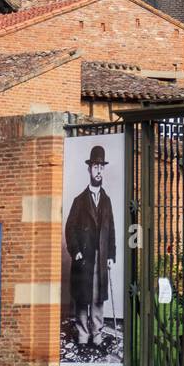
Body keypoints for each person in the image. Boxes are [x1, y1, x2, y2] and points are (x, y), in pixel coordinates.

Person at [64, 144, 116, 348]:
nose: (99, 170)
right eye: (95, 166)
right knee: (82, 297)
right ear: (89, 169)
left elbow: (111, 230)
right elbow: (70, 228)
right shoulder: (79, 201)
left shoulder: (107, 200)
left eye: (101, 166)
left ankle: (97, 334)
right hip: (83, 258)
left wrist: (111, 254)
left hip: (100, 257)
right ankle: (83, 334)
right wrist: (75, 251)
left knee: (97, 298)